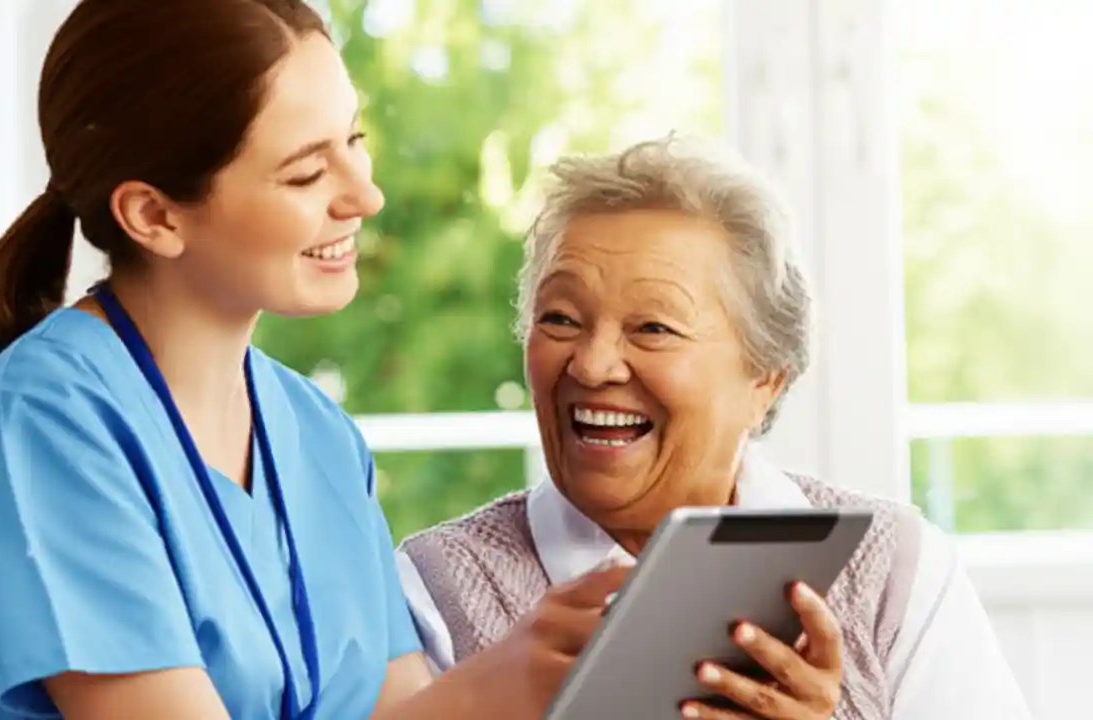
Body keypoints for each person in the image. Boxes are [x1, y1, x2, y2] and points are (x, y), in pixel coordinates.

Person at [0, 2, 632, 719]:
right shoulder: (46, 425)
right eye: (306, 171)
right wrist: (492, 687)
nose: (364, 195)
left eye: (354, 141)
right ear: (154, 214)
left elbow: (397, 709)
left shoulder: (318, 436)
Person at [397, 136, 1034, 720]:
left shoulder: (895, 571)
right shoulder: (432, 588)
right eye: (561, 318)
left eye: (653, 327)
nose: (591, 365)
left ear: (766, 379)